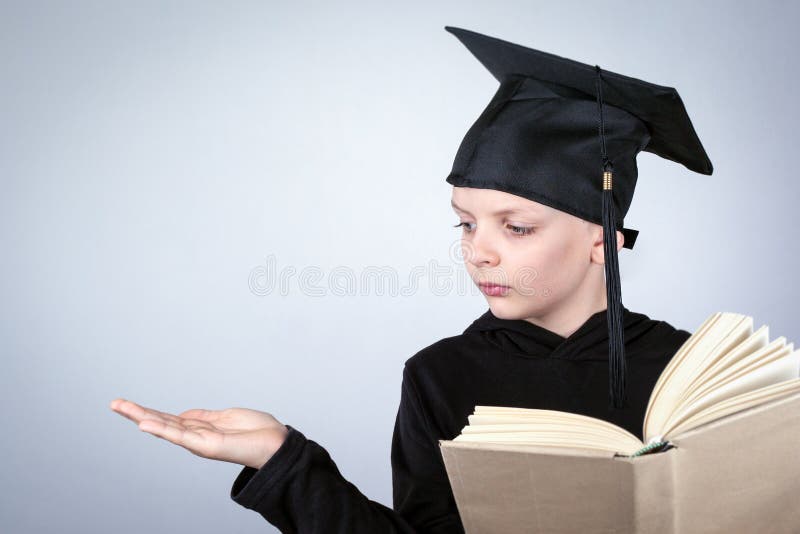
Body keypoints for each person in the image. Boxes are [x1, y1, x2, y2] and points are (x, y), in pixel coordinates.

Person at [110, 25, 713, 533]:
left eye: (517, 228)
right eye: (466, 224)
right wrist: (281, 460)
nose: (479, 253)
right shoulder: (441, 376)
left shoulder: (697, 373)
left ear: (600, 239)